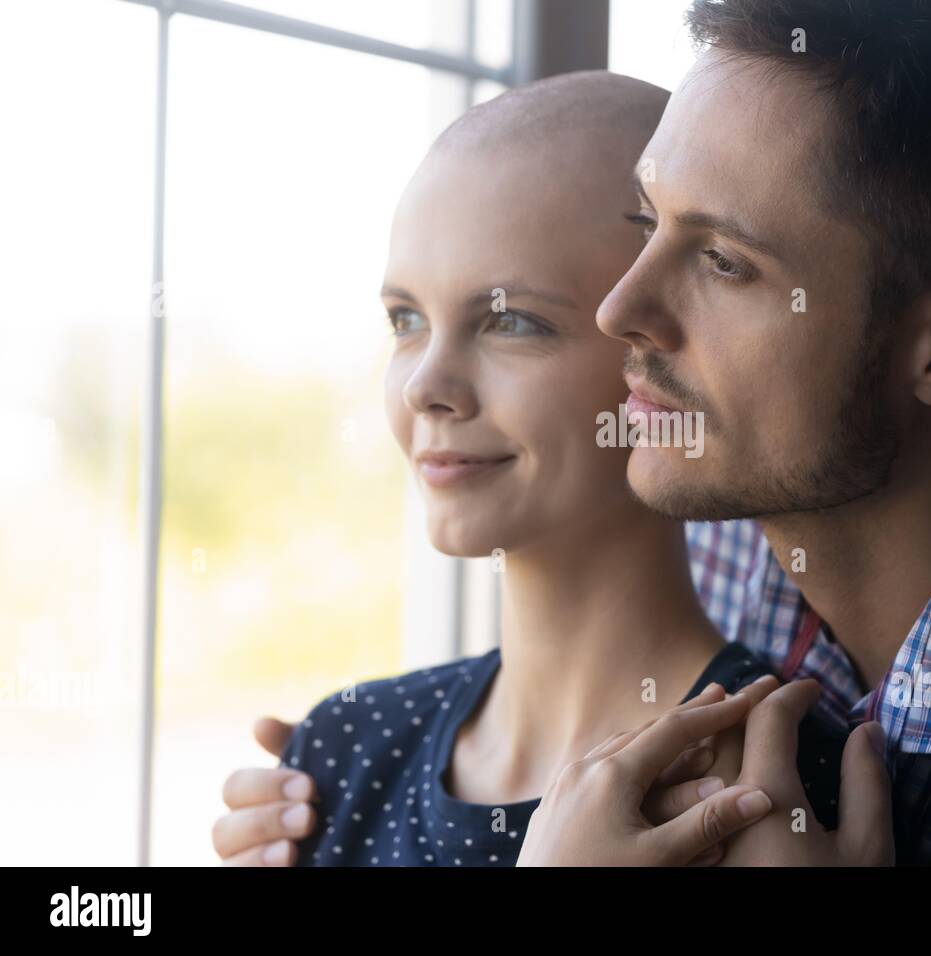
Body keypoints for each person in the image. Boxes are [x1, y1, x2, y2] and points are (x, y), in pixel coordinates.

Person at [213, 70, 873, 868]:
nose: (426, 385)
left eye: (510, 322)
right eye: (407, 320)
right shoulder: (340, 754)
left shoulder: (768, 800)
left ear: (656, 349)